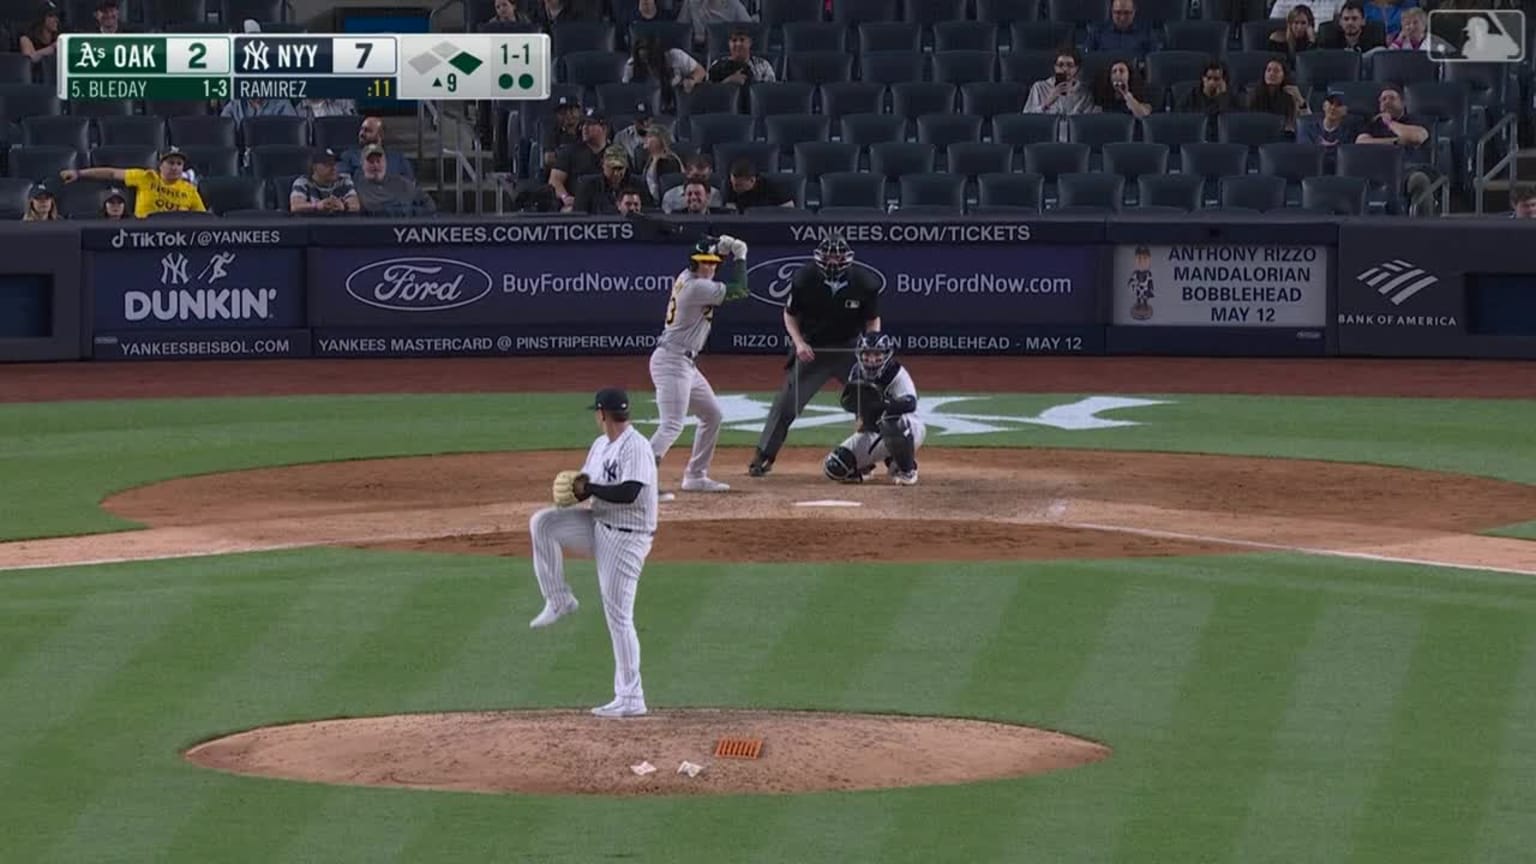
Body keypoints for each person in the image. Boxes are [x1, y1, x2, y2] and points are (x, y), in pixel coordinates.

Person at [529, 387, 659, 719]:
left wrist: (590, 489)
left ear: (602, 413)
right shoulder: (601, 445)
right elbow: (587, 485)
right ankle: (559, 599)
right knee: (543, 523)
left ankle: (631, 697)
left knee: (619, 617)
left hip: (627, 539)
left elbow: (630, 492)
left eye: (596, 413)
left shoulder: (637, 447)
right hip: (598, 525)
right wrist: (575, 491)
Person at [747, 233, 883, 478]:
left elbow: (872, 320)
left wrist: (868, 347)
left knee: (871, 402)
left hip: (848, 348)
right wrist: (798, 343)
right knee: (786, 403)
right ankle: (764, 456)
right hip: (813, 349)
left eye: (837, 256)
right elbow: (789, 314)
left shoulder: (864, 282)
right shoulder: (804, 279)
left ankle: (883, 459)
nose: (833, 262)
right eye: (828, 256)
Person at [649, 235, 751, 500]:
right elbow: (740, 289)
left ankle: (695, 476)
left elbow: (709, 259)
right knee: (671, 425)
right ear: (694, 264)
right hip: (672, 361)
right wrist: (739, 254)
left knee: (712, 415)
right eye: (705, 263)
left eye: (714, 263)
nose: (711, 267)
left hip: (685, 363)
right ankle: (640, 483)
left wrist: (715, 244)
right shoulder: (696, 288)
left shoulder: (687, 277)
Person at [824, 332, 925, 487]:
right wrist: (864, 458)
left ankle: (907, 469)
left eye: (877, 354)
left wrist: (883, 404)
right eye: (867, 354)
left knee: (890, 419)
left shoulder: (896, 373)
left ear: (886, 354)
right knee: (835, 466)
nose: (871, 359)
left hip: (908, 427)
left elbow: (910, 403)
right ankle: (876, 464)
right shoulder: (856, 372)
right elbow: (858, 407)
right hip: (875, 429)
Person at [60, 147, 206, 218]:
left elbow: (202, 218)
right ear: (160, 165)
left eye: (179, 164)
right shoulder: (146, 177)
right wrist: (78, 173)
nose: (175, 167)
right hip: (143, 233)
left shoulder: (189, 189)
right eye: (171, 162)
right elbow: (112, 173)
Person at [623, 35, 704, 116]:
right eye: (643, 61)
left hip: (676, 108)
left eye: (650, 60)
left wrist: (692, 80)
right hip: (646, 111)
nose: (648, 65)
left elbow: (700, 71)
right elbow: (626, 92)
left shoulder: (675, 56)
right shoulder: (632, 65)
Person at [355, 144, 436, 216]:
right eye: (371, 162)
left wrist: (409, 213)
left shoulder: (403, 183)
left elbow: (430, 205)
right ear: (362, 164)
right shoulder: (357, 187)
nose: (376, 165)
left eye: (379, 161)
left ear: (385, 163)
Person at [1022, 48, 1097, 117]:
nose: (1065, 69)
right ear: (1055, 67)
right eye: (1060, 65)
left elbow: (1086, 123)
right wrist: (1047, 103)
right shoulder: (1039, 87)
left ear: (1077, 68)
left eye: (1070, 65)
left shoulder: (1084, 94)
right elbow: (1027, 118)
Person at [1246, 58, 1309, 134]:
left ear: (1284, 75)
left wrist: (1300, 100)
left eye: (1276, 71)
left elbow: (1306, 123)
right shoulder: (1253, 94)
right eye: (1268, 70)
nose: (1271, 73)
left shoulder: (1291, 95)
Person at [289, 149, 360, 215]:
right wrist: (317, 206)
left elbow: (355, 206)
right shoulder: (302, 182)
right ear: (314, 167)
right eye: (328, 164)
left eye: (335, 164)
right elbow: (295, 206)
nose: (334, 168)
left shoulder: (344, 180)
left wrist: (343, 206)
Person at [1086, 0, 1156, 58]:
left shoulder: (1146, 32)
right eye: (1118, 13)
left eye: (1127, 13)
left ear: (1134, 12)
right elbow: (1086, 57)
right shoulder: (1097, 31)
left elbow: (1154, 60)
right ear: (1111, 12)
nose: (1122, 18)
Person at [637, 126, 683, 202]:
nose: (645, 139)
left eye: (649, 136)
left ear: (660, 140)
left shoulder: (669, 162)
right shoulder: (648, 159)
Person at [1320, 1, 1386, 51]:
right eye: (1346, 19)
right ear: (1340, 22)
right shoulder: (1331, 41)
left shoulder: (1373, 41)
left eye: (1354, 18)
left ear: (1363, 21)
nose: (1350, 23)